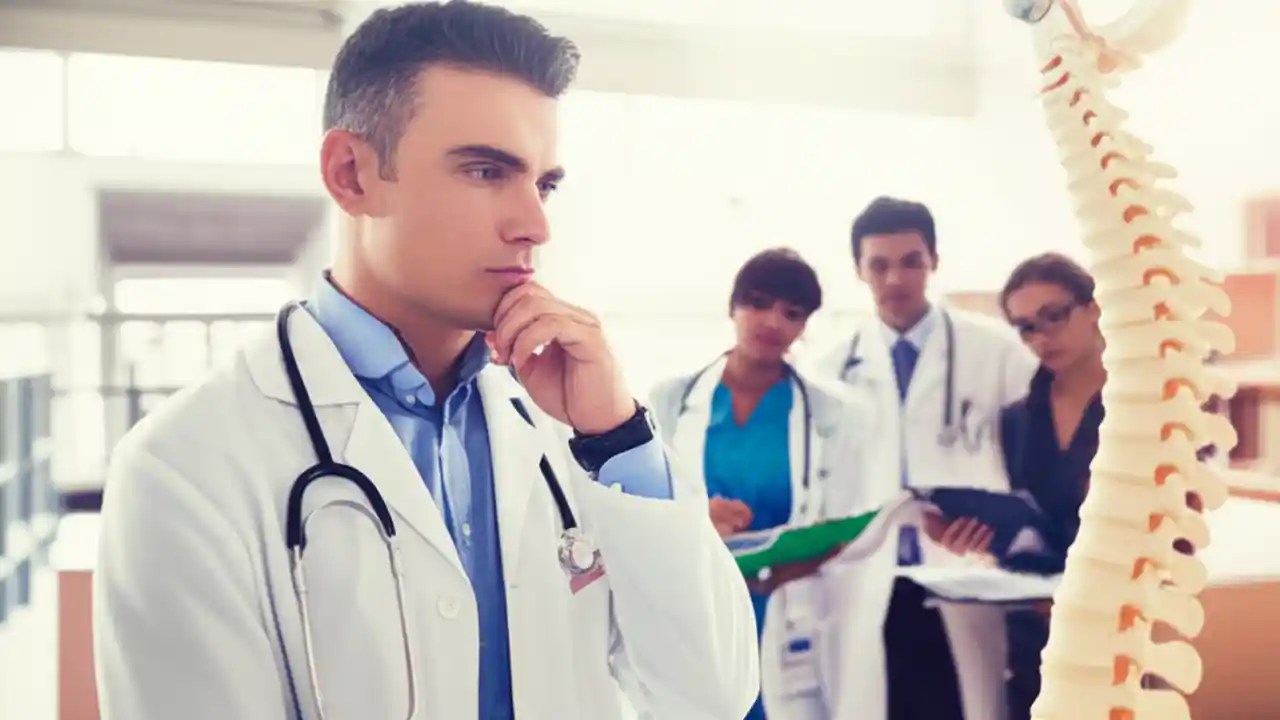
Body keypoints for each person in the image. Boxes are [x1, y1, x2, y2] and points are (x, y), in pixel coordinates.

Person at [92, 4, 759, 719]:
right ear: (351, 174)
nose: (534, 224)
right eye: (484, 170)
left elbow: (711, 694)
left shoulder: (573, 427)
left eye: (545, 184)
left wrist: (619, 439)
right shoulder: (182, 470)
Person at [807, 196, 1038, 720]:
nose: (895, 278)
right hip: (869, 578)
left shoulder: (997, 352)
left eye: (911, 261)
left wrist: (1009, 531)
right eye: (879, 265)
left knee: (969, 703)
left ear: (933, 261)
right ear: (859, 271)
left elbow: (1041, 461)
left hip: (966, 569)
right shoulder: (829, 370)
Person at [650, 248, 876, 720]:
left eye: (792, 313)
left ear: (804, 326)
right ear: (732, 307)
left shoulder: (833, 414)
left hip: (781, 600)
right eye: (757, 303)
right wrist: (696, 515)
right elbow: (640, 506)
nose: (772, 321)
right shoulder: (670, 400)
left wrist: (776, 574)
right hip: (695, 596)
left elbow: (846, 524)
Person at [995, 252, 1105, 719]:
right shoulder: (1016, 420)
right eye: (1025, 327)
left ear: (1094, 307)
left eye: (1053, 316)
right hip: (1033, 632)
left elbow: (1178, 530)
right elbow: (1021, 521)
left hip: (1116, 630)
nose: (1041, 337)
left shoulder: (1149, 409)